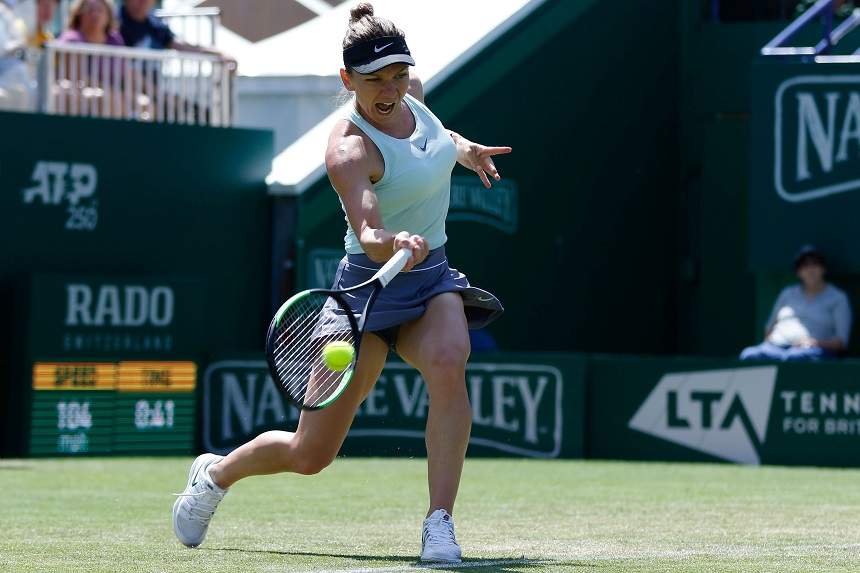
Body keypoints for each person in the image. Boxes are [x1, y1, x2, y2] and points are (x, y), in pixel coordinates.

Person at [171, 2, 510, 564]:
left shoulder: (413, 96)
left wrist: (466, 150)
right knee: (310, 455)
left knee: (451, 358)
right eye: (374, 80)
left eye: (398, 76)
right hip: (369, 287)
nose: (390, 90)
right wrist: (393, 241)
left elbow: (435, 136)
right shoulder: (348, 150)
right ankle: (215, 474)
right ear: (346, 80)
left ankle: (439, 524)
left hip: (431, 279)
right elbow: (368, 226)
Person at [740, 245, 853, 362]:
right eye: (805, 265)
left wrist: (815, 343)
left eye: (815, 264)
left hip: (813, 351)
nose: (810, 269)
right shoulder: (787, 294)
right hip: (776, 347)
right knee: (748, 354)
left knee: (793, 357)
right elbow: (769, 328)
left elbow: (841, 342)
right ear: (798, 272)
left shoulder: (838, 298)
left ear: (823, 268)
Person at [119, 0, 233, 63]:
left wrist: (219, 54)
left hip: (153, 93)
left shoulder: (155, 25)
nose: (143, 1)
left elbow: (181, 45)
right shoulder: (114, 22)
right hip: (125, 91)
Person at [56, 0, 122, 45]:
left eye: (100, 10)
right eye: (90, 10)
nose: (95, 14)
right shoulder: (71, 40)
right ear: (79, 14)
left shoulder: (114, 40)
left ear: (108, 16)